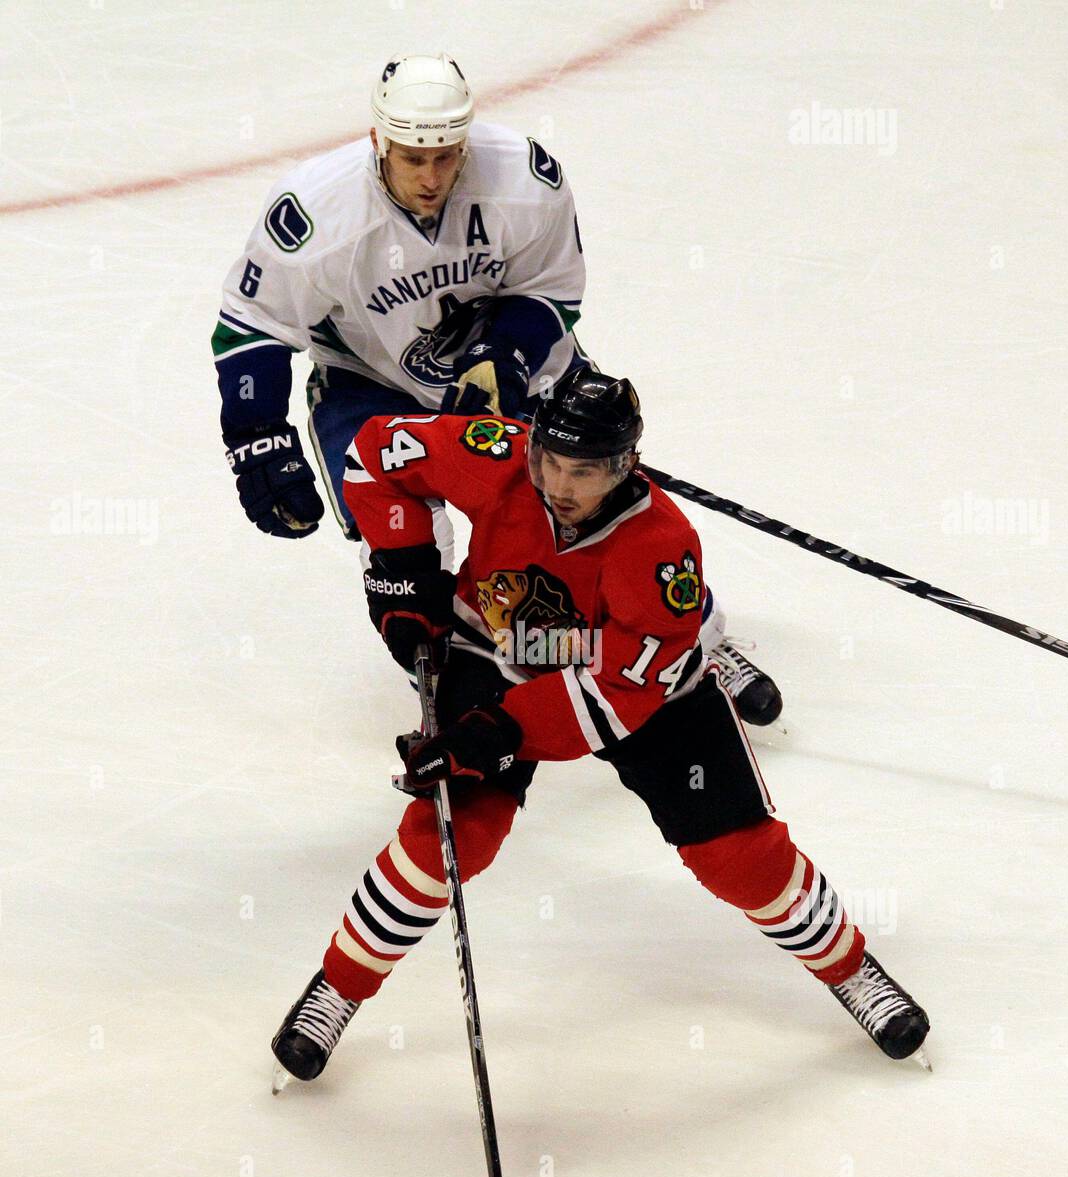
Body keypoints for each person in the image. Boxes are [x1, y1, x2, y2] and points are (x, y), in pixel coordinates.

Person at [270, 369, 929, 1084]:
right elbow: (375, 454)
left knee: (741, 859)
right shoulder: (500, 455)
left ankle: (850, 969)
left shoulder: (660, 549)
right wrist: (401, 573)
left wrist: (497, 730)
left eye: (582, 471)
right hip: (495, 650)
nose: (557, 482)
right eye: (550, 459)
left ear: (623, 466)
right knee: (448, 840)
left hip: (646, 692)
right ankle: (337, 987)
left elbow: (617, 694)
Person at [213, 50, 783, 724]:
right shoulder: (316, 211)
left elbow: (552, 291)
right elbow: (251, 324)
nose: (431, 177)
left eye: (446, 156)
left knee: (590, 501)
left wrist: (502, 359)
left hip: (512, 366)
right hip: (371, 382)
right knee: (399, 535)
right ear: (377, 140)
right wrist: (257, 437)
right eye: (411, 157)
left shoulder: (523, 180)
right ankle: (454, 666)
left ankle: (694, 640)